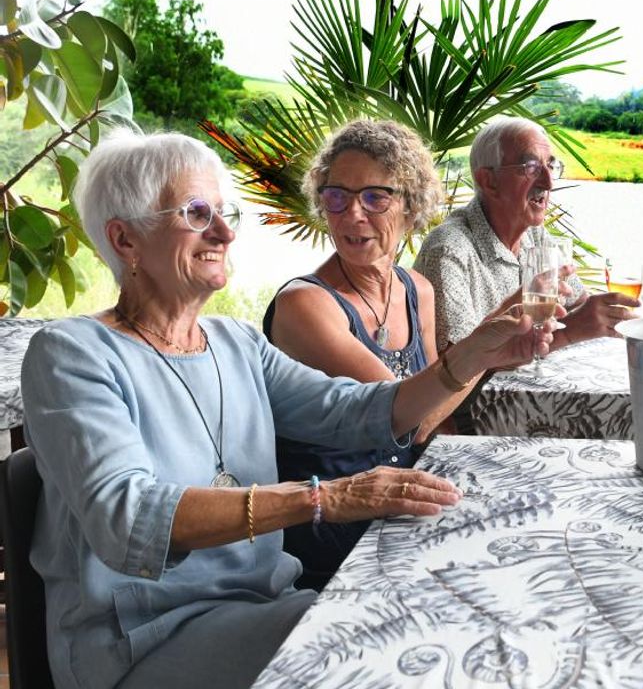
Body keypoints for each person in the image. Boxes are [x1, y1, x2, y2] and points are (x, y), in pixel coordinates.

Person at [20, 130, 551, 689]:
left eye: (225, 213)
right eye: (196, 213)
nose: (224, 232)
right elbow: (126, 517)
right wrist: (325, 497)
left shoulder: (235, 343)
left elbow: (359, 411)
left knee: (443, 610)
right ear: (125, 240)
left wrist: (473, 353)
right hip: (143, 636)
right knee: (399, 642)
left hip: (265, 604)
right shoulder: (73, 354)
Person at [262, 119, 447, 590]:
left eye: (375, 197)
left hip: (397, 501)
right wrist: (492, 348)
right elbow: (409, 420)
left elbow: (431, 425)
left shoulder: (416, 290)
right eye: (337, 196)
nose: (352, 214)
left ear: (411, 205)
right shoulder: (305, 304)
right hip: (332, 528)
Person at [415, 116, 640, 353]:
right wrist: (570, 330)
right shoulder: (448, 251)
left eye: (551, 166)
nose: (549, 183)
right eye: (531, 168)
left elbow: (578, 307)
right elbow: (456, 366)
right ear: (489, 181)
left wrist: (602, 314)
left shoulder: (536, 235)